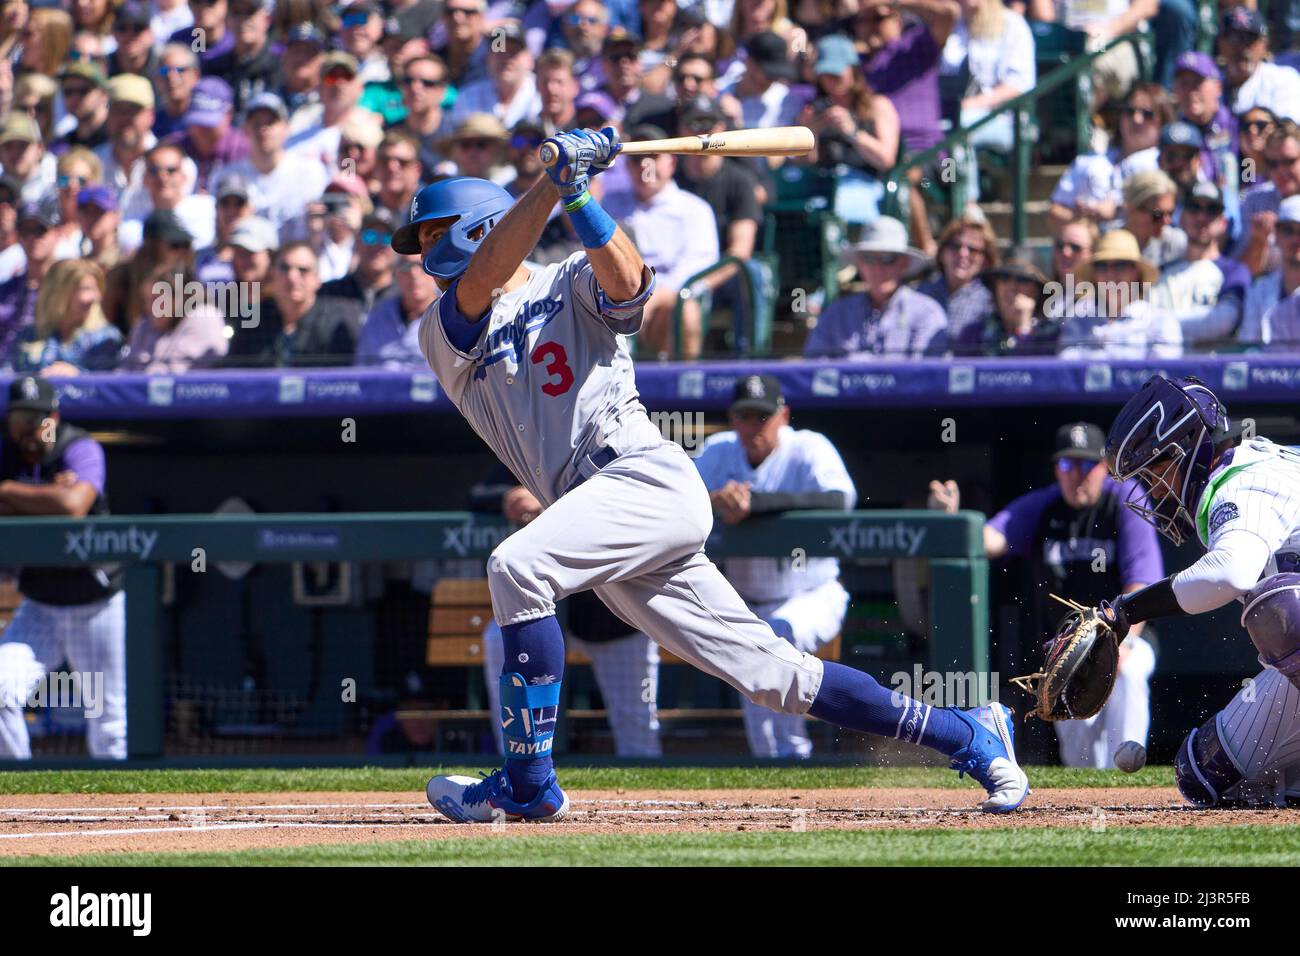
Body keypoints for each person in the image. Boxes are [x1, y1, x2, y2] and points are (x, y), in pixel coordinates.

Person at [409, 139, 1027, 822]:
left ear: (477, 224)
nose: (426, 249)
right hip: (598, 518)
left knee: (516, 567)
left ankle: (527, 783)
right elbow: (480, 283)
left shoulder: (566, 278)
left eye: (438, 231)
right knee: (774, 675)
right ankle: (967, 731)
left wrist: (578, 195)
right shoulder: (440, 328)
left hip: (641, 477)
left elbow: (631, 288)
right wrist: (551, 183)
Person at [1102, 374, 1300, 806]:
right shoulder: (1265, 460)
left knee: (1278, 609)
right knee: (1205, 773)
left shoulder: (1239, 485)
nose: (1154, 491)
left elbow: (1230, 575)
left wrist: (1126, 610)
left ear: (1184, 451)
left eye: (1156, 472)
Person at [929, 422, 1163, 768]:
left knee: (1128, 673)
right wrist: (950, 523)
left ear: (1105, 467)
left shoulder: (1126, 500)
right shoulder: (1045, 507)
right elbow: (988, 540)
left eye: (1087, 465)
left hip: (1125, 638)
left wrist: (1121, 644)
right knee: (1081, 760)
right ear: (1057, 469)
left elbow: (1141, 585)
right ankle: (1095, 801)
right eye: (1068, 465)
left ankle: (1125, 769)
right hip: (1065, 651)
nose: (1077, 475)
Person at [694, 375, 856, 758]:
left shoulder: (808, 447)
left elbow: (838, 500)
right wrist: (714, 500)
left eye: (762, 417)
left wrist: (757, 504)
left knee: (778, 636)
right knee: (750, 650)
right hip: (746, 599)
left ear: (783, 415)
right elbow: (673, 501)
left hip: (811, 593)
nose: (754, 427)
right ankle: (770, 763)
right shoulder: (717, 452)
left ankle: (794, 751)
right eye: (745, 416)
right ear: (732, 418)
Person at [477, 465, 663, 758]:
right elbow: (479, 494)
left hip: (617, 619)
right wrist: (512, 496)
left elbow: (635, 494)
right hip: (546, 618)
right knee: (496, 637)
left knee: (639, 739)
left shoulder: (611, 445)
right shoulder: (529, 443)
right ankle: (516, 763)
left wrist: (552, 502)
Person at [0, 376, 126, 760]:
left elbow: (73, 505)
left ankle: (125, 816)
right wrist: (46, 497)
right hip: (40, 605)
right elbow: (60, 501)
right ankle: (15, 794)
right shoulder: (6, 453)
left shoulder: (80, 447)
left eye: (36, 417)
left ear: (53, 417)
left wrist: (6, 491)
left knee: (109, 723)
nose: (27, 427)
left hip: (96, 603)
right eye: (19, 416)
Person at [601, 124, 718, 358]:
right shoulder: (608, 203)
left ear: (671, 163)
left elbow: (697, 268)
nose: (645, 164)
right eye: (637, 158)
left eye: (653, 156)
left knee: (686, 311)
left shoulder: (694, 208)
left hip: (668, 302)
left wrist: (650, 297)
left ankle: (682, 386)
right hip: (616, 298)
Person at [803, 216, 948, 359]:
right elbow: (815, 368)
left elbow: (926, 375)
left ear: (903, 263)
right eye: (869, 258)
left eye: (888, 259)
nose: (878, 268)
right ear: (859, 263)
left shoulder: (927, 314)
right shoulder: (836, 314)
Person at [794, 33, 898, 231]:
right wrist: (810, 133)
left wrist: (852, 132)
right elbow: (804, 164)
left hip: (865, 187)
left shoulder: (878, 106)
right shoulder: (814, 109)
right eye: (826, 74)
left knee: (838, 206)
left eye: (836, 73)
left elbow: (886, 159)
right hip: (822, 187)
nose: (831, 81)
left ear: (853, 70)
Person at [225, 241, 362, 366]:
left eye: (303, 270)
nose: (292, 277)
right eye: (285, 268)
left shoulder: (339, 323)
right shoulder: (252, 322)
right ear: (273, 274)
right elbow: (236, 376)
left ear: (317, 279)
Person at [1150, 181, 1249, 350]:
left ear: (1223, 223)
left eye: (1211, 210)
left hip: (1211, 371)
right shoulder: (1160, 271)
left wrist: (1161, 322)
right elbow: (1144, 321)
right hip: (1164, 370)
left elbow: (1223, 322)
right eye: (1194, 208)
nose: (1201, 217)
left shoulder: (1234, 271)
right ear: (1181, 217)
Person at [1057, 228, 1183, 359]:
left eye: (1120, 266)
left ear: (1136, 272)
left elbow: (1163, 375)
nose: (1110, 274)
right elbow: (1067, 371)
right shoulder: (1077, 322)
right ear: (1094, 275)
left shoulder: (1160, 322)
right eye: (1101, 266)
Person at [220, 93, 330, 234]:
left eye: (271, 122)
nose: (263, 129)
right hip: (247, 252)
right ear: (245, 129)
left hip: (294, 251)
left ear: (285, 128)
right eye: (257, 123)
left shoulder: (310, 172)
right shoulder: (228, 176)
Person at [7, 256, 121, 373]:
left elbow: (109, 386)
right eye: (86, 289)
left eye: (98, 289)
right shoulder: (28, 335)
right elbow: (6, 376)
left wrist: (77, 376)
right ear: (60, 293)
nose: (96, 297)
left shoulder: (105, 339)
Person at [119, 262, 228, 371]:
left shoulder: (205, 317)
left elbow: (177, 375)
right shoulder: (145, 325)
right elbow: (125, 373)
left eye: (157, 300)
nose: (149, 307)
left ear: (183, 298)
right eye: (146, 300)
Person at [954, 254, 1059, 356]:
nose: (1012, 287)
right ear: (995, 286)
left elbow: (1031, 371)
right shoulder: (973, 335)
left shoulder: (1051, 336)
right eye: (1005, 277)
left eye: (1022, 279)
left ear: (1038, 291)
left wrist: (1024, 328)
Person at [915, 214, 997, 343]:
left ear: (985, 260)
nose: (963, 253)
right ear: (942, 253)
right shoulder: (920, 294)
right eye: (955, 246)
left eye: (972, 249)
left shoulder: (992, 302)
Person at [450, 20, 542, 129]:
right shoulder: (467, 97)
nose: (505, 59)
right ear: (487, 58)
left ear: (529, 60)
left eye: (513, 52)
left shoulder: (542, 94)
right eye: (499, 51)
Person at [0, 196, 60, 359]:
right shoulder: (6, 289)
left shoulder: (66, 286)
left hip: (49, 371)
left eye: (40, 231)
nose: (32, 238)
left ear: (56, 233)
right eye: (26, 231)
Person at [1218, 6, 1300, 124]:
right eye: (1234, 38)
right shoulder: (1207, 83)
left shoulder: (1284, 80)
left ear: (1264, 44)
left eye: (1249, 39)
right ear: (1221, 43)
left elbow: (1288, 134)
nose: (1241, 48)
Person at [354, 254, 438, 368]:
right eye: (406, 266)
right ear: (395, 273)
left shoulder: (453, 315)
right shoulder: (377, 317)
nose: (414, 274)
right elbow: (361, 371)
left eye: (423, 266)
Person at [1240, 193, 1300, 351]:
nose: (1296, 239)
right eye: (1288, 230)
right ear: (1277, 235)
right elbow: (1248, 345)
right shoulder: (1259, 289)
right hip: (1268, 374)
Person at [1120, 168, 1187, 271]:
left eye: (1170, 213)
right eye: (1157, 214)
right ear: (1131, 209)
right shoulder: (1106, 245)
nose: (1167, 221)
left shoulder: (1176, 244)